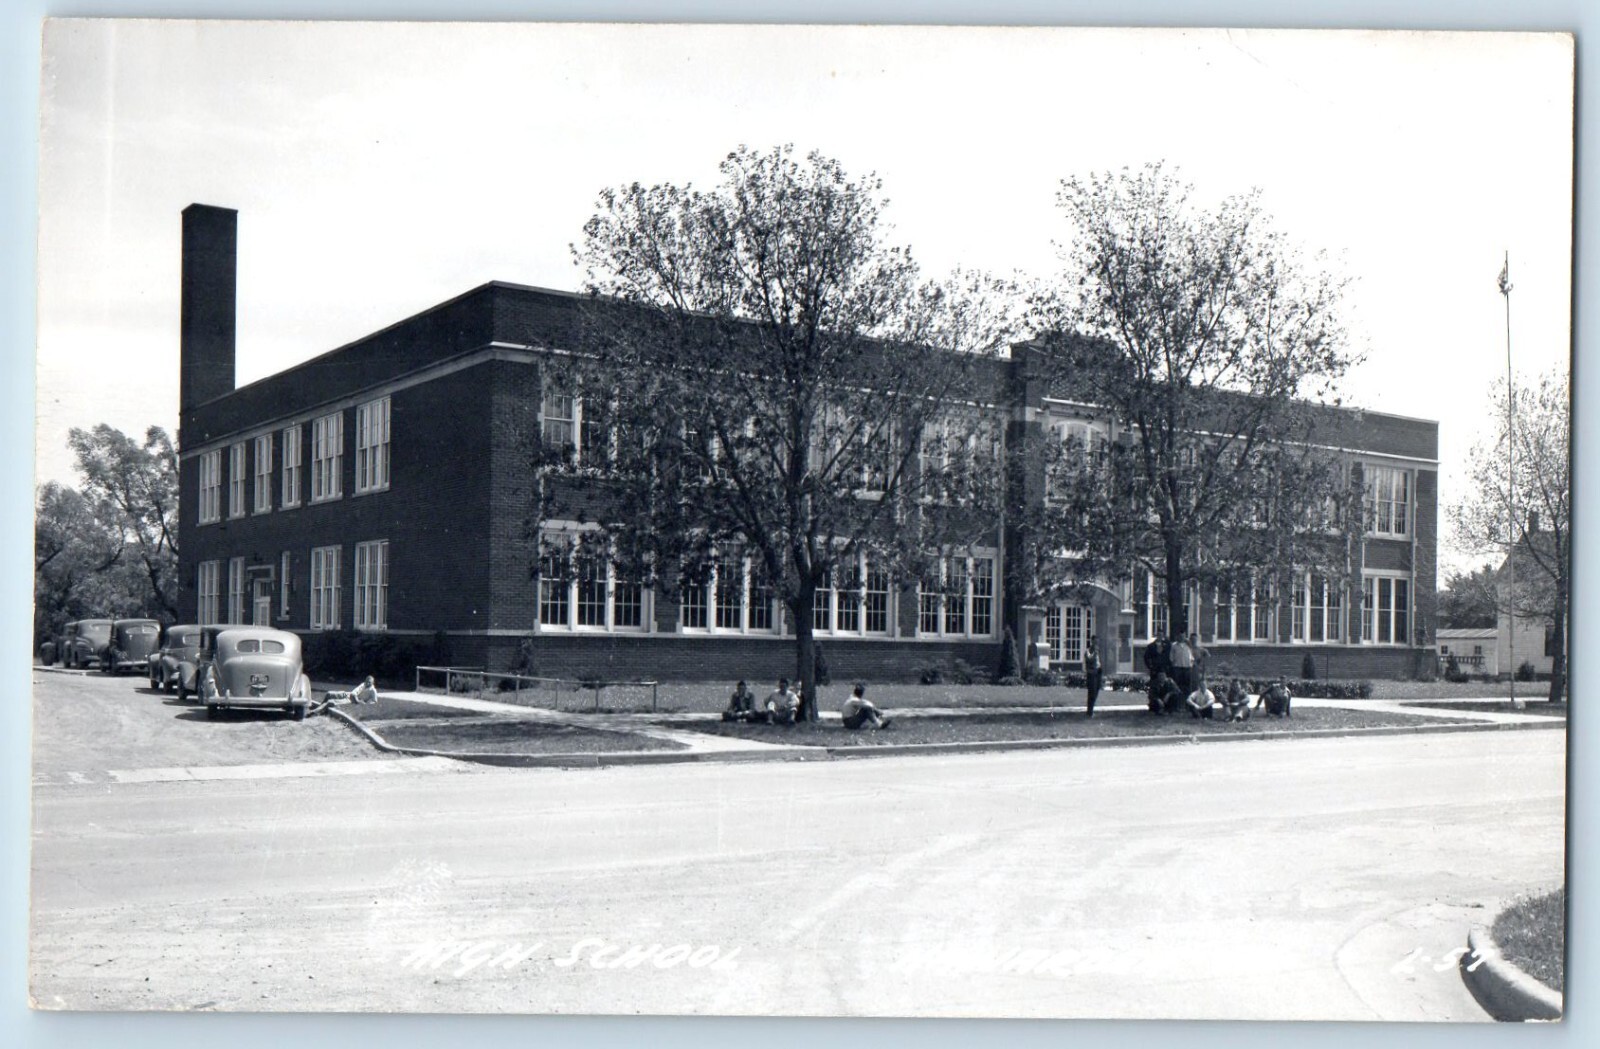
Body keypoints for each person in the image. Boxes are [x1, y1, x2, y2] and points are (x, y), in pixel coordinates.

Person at [1084, 642, 1104, 717]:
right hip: (1092, 674)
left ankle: (1091, 709)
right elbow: (1089, 659)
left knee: (1096, 690)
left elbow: (1099, 662)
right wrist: (1095, 654)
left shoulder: (1097, 652)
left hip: (1098, 672)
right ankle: (1090, 711)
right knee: (1092, 692)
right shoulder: (1088, 652)